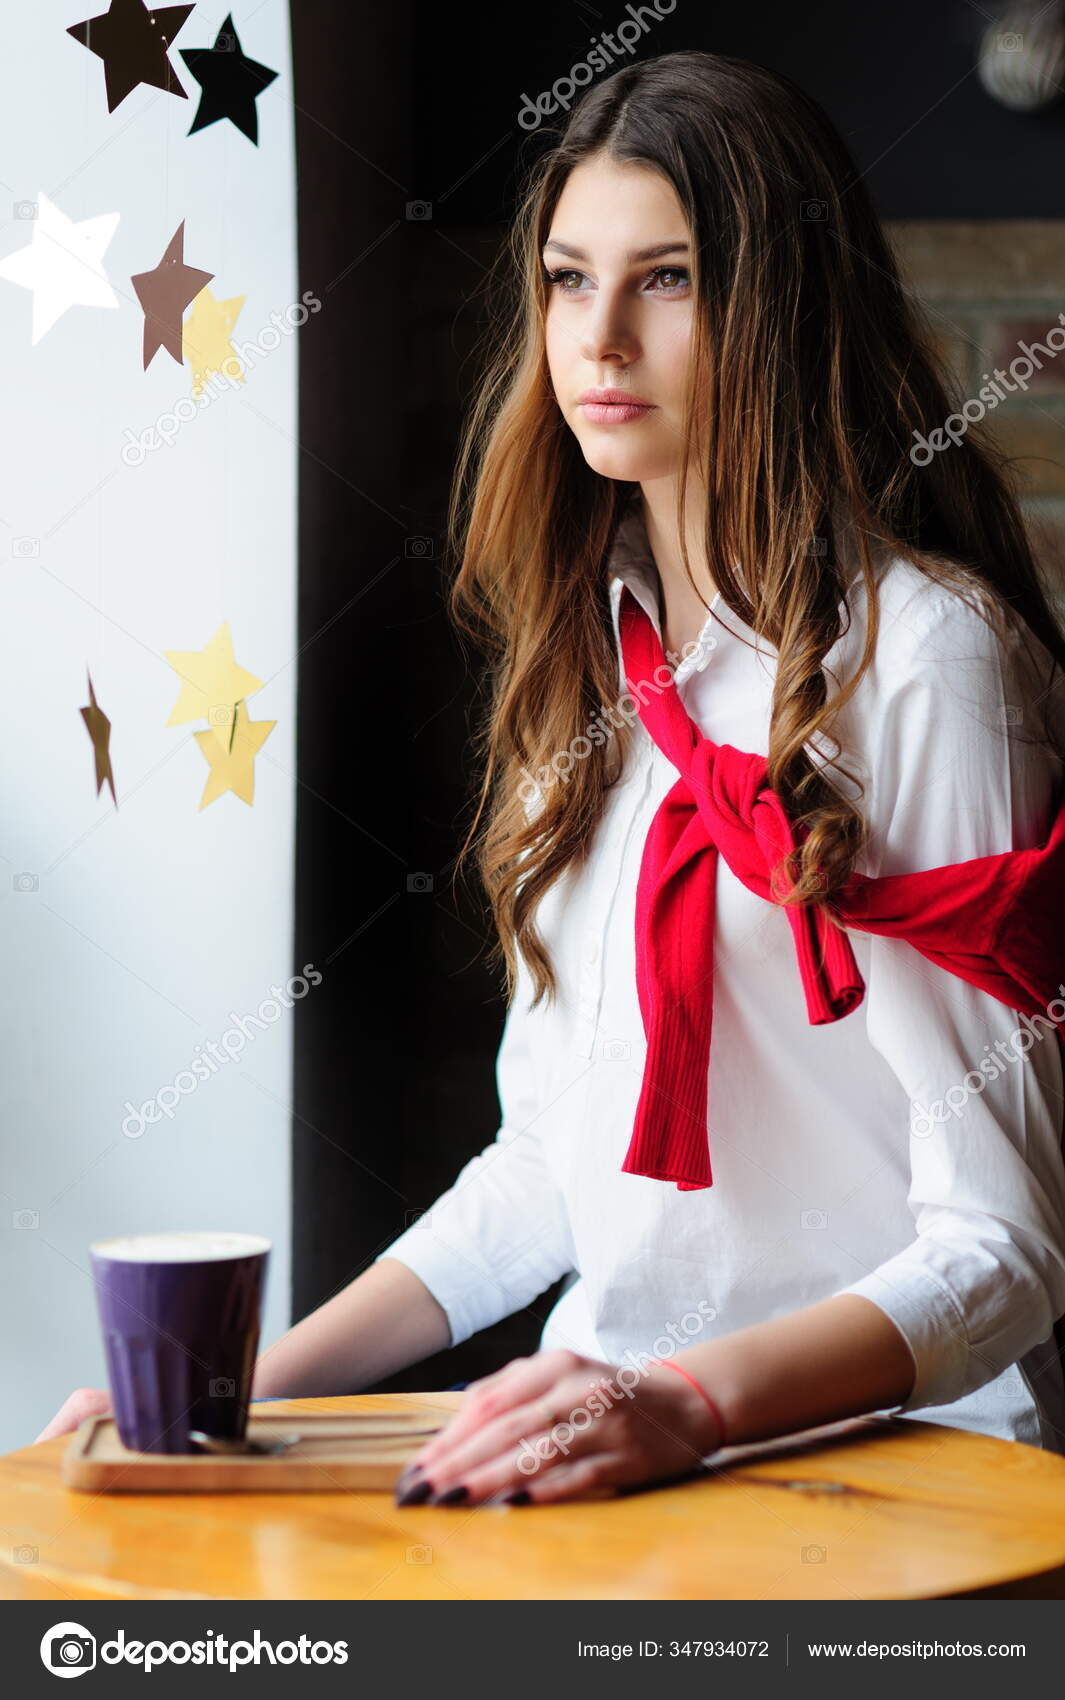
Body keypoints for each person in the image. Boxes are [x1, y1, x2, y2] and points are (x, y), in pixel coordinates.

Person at [38, 50, 1065, 1510]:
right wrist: (232, 1397)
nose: (598, 339)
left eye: (666, 280)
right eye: (567, 279)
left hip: (905, 1483)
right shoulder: (585, 663)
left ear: (778, 307)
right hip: (600, 1461)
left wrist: (685, 1403)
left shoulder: (924, 665)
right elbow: (547, 1167)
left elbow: (1005, 1248)